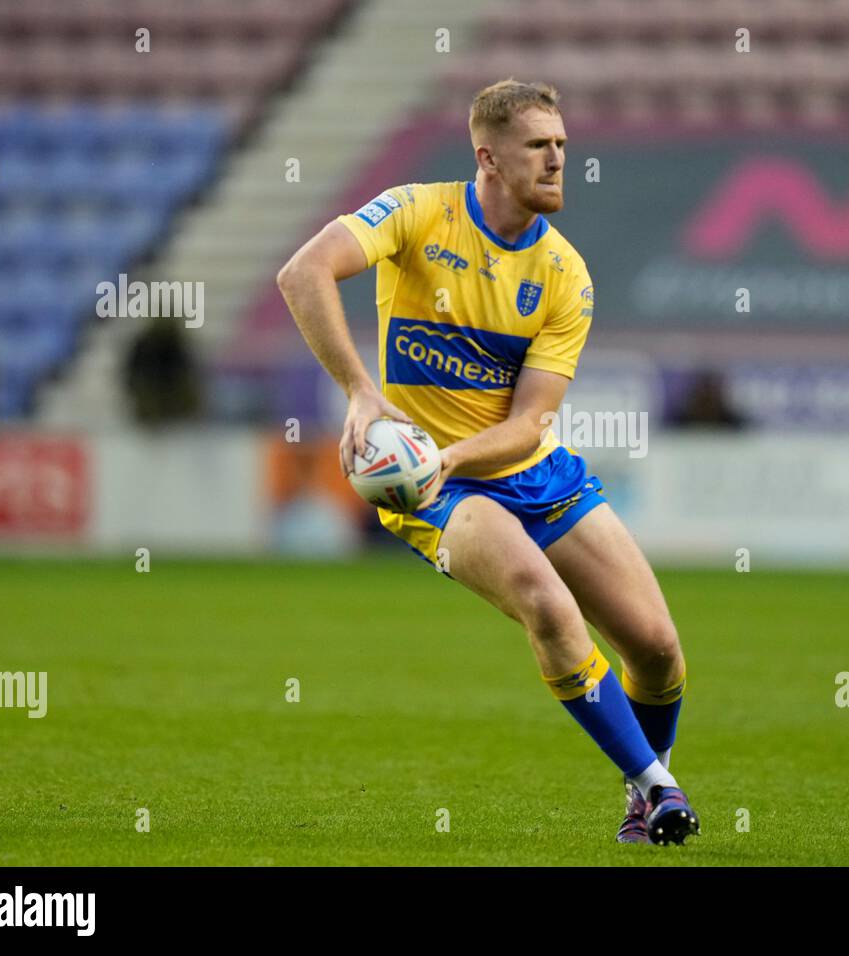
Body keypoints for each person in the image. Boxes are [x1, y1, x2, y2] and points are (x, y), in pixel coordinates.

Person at [276, 80, 698, 845]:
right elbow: (302, 273)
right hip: (438, 495)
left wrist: (448, 452)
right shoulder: (415, 213)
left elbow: (532, 421)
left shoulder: (566, 275)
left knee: (658, 650)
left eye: (562, 145)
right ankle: (657, 788)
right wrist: (362, 393)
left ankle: (646, 785)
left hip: (523, 468)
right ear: (489, 158)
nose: (558, 159)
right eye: (539, 146)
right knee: (543, 598)